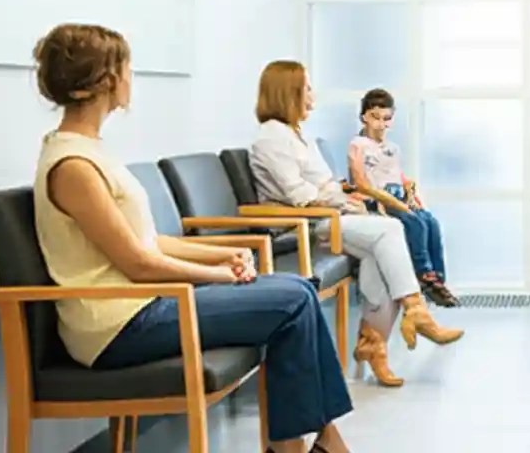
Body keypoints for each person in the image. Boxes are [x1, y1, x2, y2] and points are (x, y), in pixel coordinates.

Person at [30, 24, 353, 453]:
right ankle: (310, 445)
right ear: (106, 80)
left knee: (299, 290)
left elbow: (149, 241)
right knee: (293, 300)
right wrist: (217, 276)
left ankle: (313, 442)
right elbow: (138, 264)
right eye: (126, 68)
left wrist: (225, 257)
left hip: (148, 305)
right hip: (121, 326)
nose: (130, 78)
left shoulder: (90, 152)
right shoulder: (73, 166)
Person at [248, 61, 463, 389]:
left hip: (329, 216)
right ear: (287, 92)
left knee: (380, 253)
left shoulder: (294, 135)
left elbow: (321, 185)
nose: (312, 94)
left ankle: (372, 345)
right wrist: (343, 202)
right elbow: (300, 195)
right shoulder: (272, 138)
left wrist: (343, 196)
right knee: (392, 230)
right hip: (307, 227)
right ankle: (415, 309)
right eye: (306, 88)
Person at [348, 88, 459, 308]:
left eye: (386, 119)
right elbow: (360, 182)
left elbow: (397, 176)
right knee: (415, 222)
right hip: (377, 198)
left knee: (430, 221)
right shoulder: (358, 145)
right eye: (375, 118)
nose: (381, 124)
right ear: (364, 117)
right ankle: (424, 274)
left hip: (397, 195)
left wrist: (409, 189)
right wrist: (390, 202)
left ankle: (438, 278)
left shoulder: (392, 148)